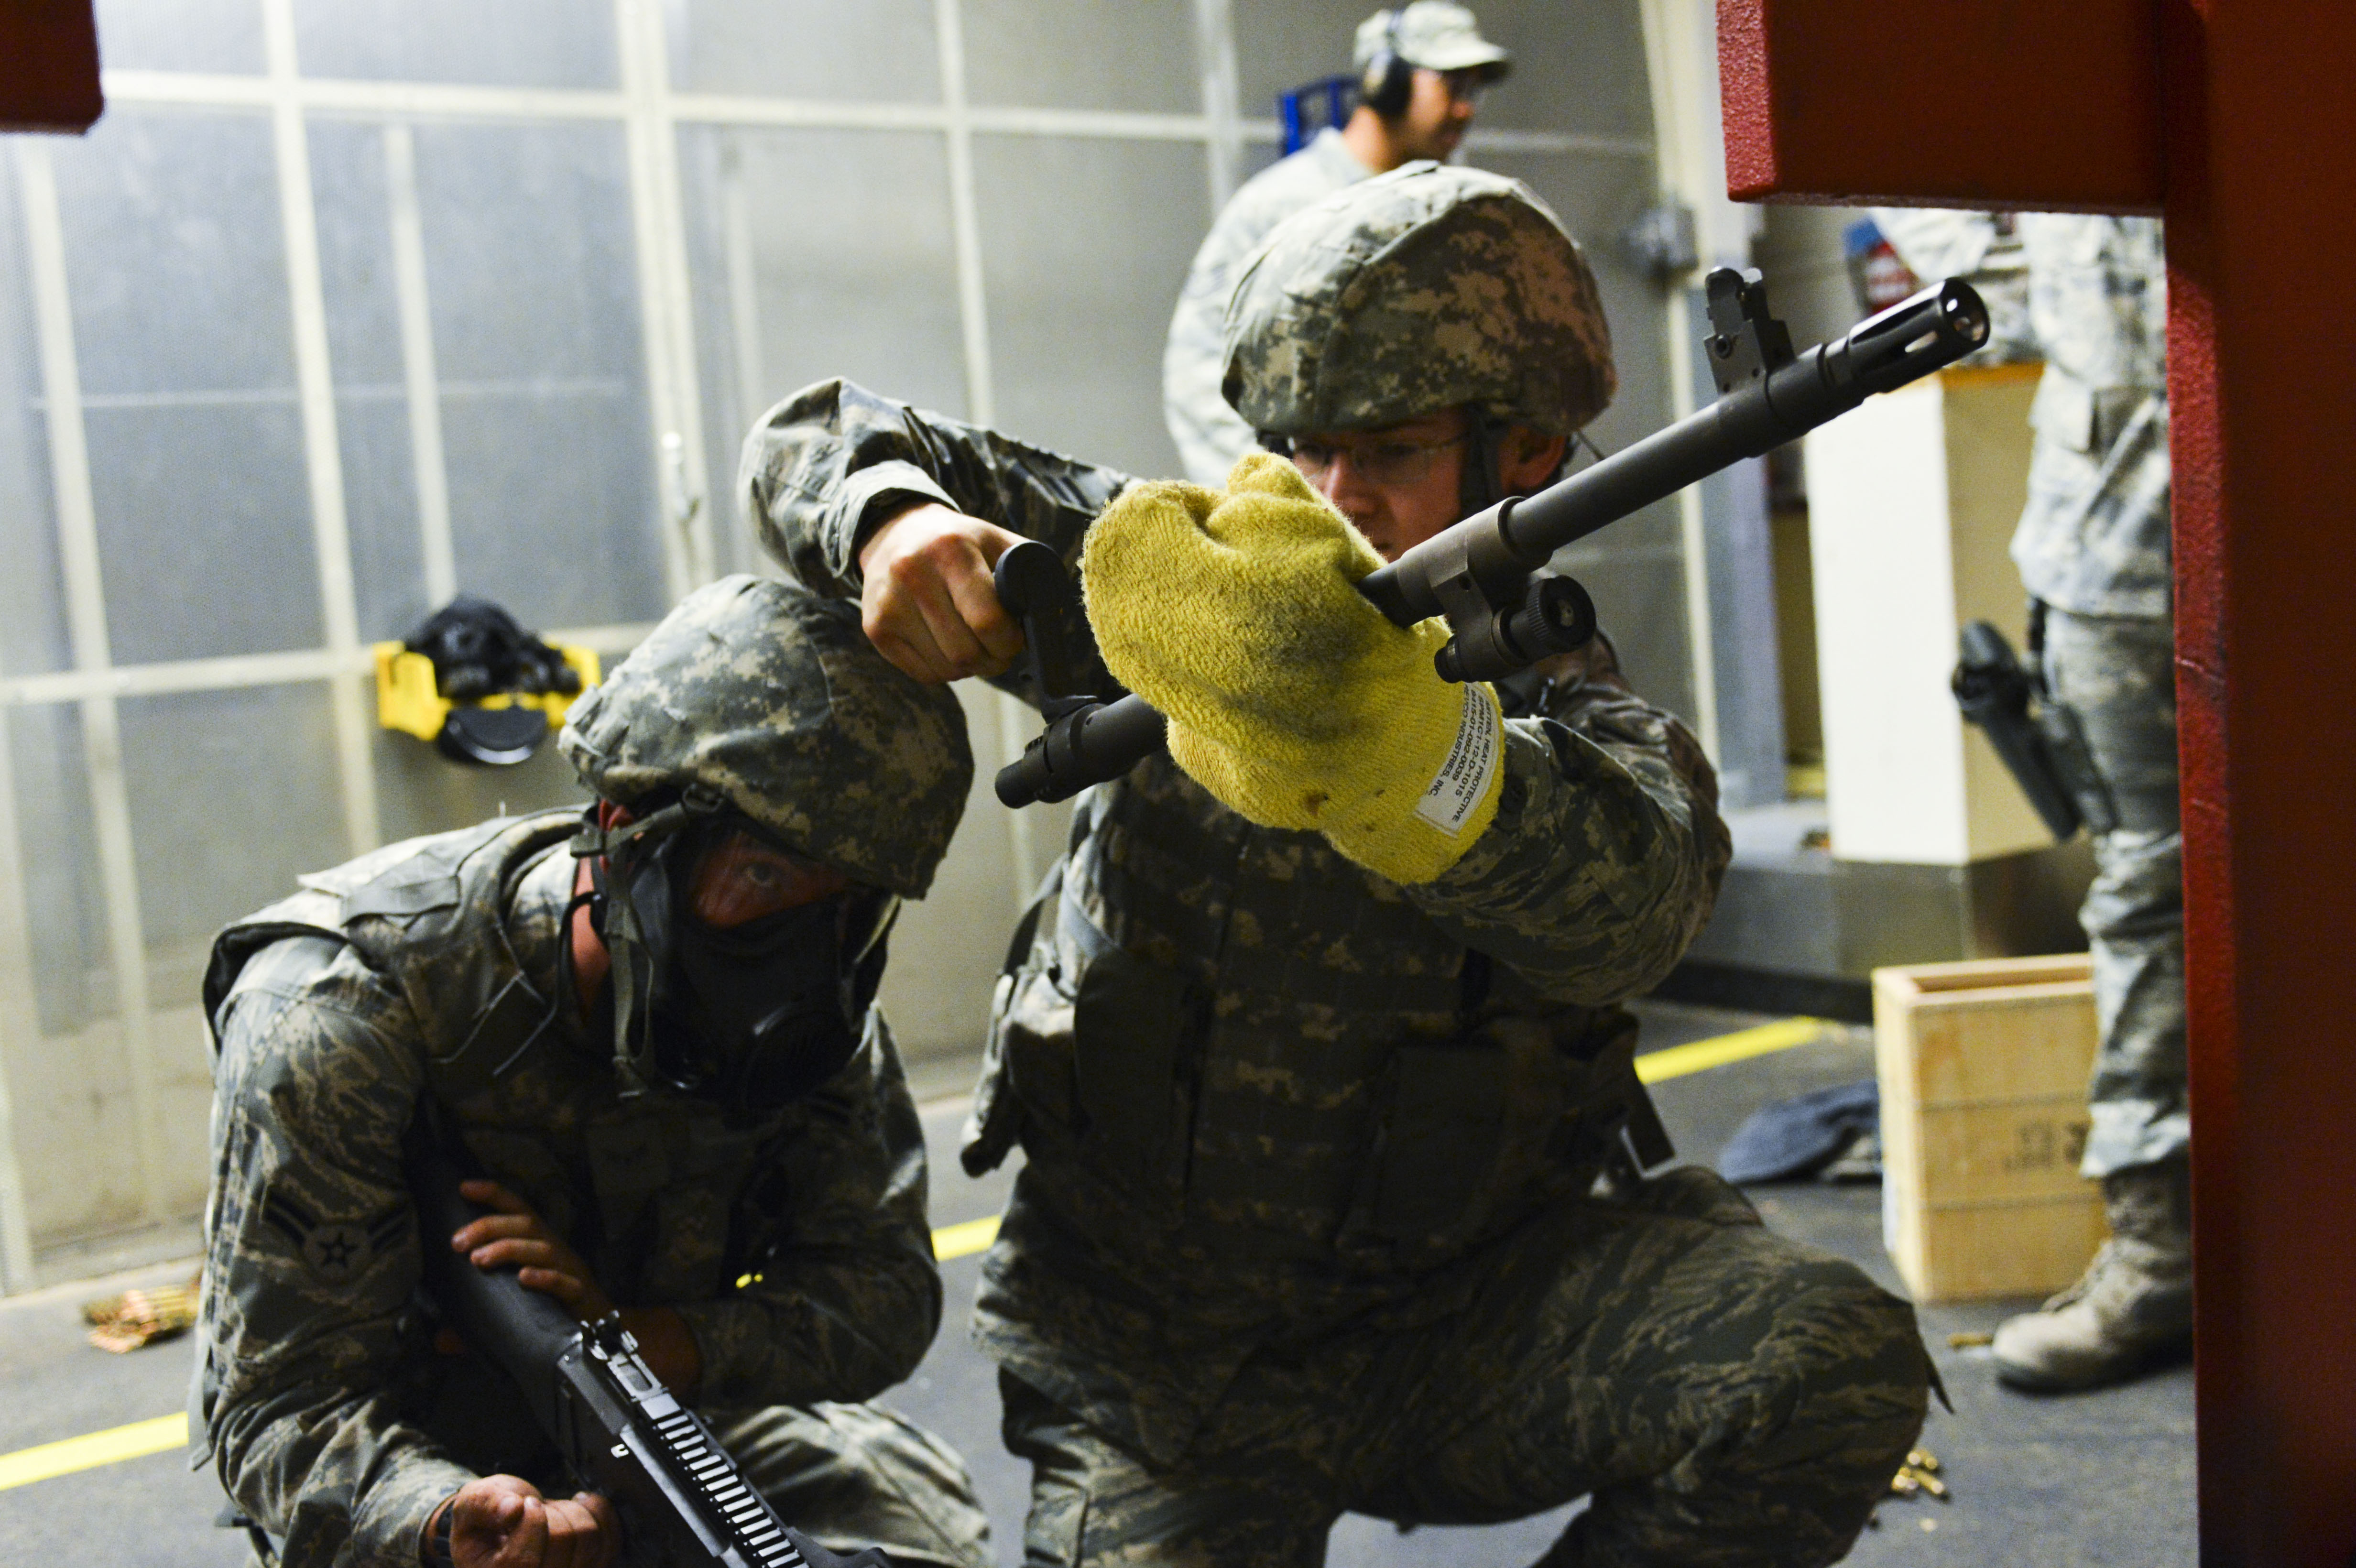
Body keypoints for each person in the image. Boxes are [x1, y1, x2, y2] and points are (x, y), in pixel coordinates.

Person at [746, 165, 1935, 1568]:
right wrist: (893, 517)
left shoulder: (1581, 719)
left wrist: (1412, 749)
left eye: (1390, 449)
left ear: (1530, 448)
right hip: (1158, 1364)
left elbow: (1630, 902)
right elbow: (815, 434)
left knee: (1823, 1360)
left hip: (1458, 1327)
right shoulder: (1178, 592)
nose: (1333, 496)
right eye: (1304, 447)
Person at [192, 577, 994, 1568]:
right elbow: (280, 1408)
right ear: (627, 830)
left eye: (852, 906)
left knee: (914, 1530)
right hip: (420, 1460)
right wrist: (445, 1518)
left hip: (664, 1413)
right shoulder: (345, 1011)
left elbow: (884, 1294)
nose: (805, 952)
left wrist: (644, 1338)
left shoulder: (813, 1021)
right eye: (763, 877)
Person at [1878, 210, 2187, 1392]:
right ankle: (2165, 1247)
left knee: (2156, 904)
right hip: (2114, 565)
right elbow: (2004, 297)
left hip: (2191, 549)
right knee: (2149, 900)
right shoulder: (2065, 153)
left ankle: (2172, 1255)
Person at [1162, 1, 1510, 484]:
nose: (1465, 109)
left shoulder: (1442, 212)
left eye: (1472, 92)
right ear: (1386, 82)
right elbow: (1198, 371)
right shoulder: (1285, 204)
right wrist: (1277, 498)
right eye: (1452, 86)